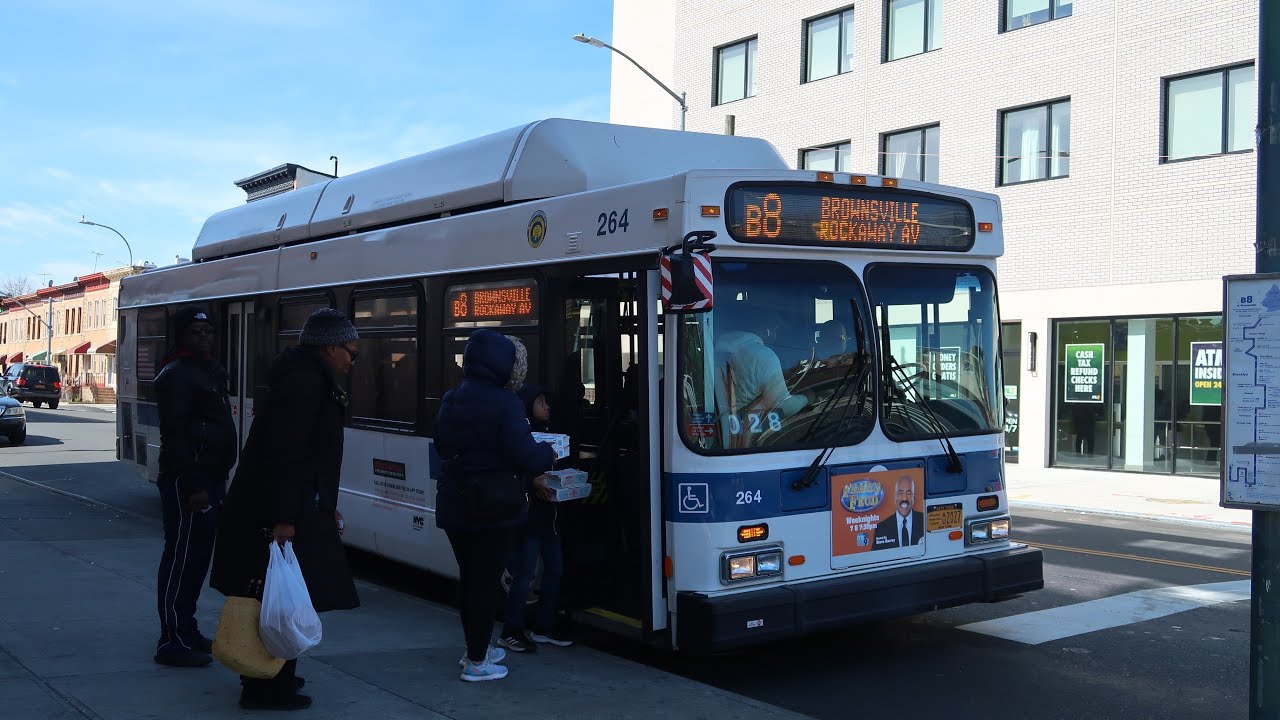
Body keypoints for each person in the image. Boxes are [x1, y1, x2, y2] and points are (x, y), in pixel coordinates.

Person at [210, 308, 362, 711]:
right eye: (351, 351)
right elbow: (288, 454)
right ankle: (266, 685)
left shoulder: (306, 376)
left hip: (292, 505)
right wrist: (283, 517)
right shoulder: (306, 382)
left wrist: (326, 506)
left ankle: (275, 674)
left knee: (285, 592)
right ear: (330, 347)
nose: (352, 360)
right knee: (281, 593)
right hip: (282, 510)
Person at [435, 331, 557, 682]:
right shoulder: (506, 403)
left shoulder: (452, 397)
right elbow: (523, 456)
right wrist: (547, 453)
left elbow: (442, 445)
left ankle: (474, 649)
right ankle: (477, 661)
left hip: (455, 504)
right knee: (485, 585)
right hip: (491, 508)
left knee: (470, 581)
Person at [153, 306, 238, 668]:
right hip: (189, 481)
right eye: (195, 332)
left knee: (198, 558)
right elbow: (174, 435)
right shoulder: (175, 374)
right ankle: (171, 639)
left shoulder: (209, 371)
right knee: (182, 558)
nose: (203, 337)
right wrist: (191, 485)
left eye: (208, 331)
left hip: (212, 477)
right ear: (182, 336)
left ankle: (186, 629)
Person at [497, 384, 574, 654]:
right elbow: (513, 472)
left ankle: (543, 626)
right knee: (525, 575)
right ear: (529, 405)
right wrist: (534, 482)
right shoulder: (521, 437)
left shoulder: (552, 435)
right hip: (530, 519)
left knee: (555, 570)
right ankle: (511, 630)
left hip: (550, 518)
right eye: (541, 402)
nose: (547, 407)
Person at [715, 307, 809, 422]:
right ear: (764, 328)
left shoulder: (713, 346)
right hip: (743, 429)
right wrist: (807, 398)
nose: (777, 328)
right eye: (774, 325)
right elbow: (782, 406)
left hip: (717, 424)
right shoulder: (762, 355)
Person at [874, 475, 923, 549]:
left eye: (909, 493)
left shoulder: (925, 521)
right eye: (900, 493)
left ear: (914, 497)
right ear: (895, 497)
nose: (904, 498)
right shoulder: (881, 528)